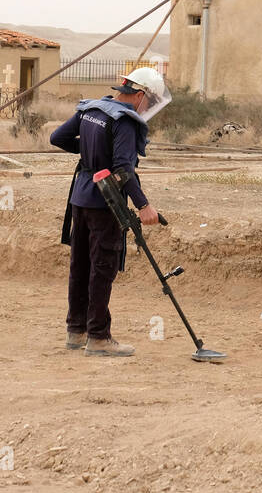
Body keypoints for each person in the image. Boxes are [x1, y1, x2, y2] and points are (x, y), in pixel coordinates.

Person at [49, 66, 171, 357]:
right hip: (105, 202)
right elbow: (123, 170)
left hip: (80, 198)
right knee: (102, 268)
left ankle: (76, 331)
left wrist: (92, 151)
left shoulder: (91, 109)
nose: (148, 108)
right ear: (140, 95)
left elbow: (58, 138)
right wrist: (144, 205)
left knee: (80, 266)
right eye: (150, 101)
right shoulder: (125, 122)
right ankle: (99, 337)